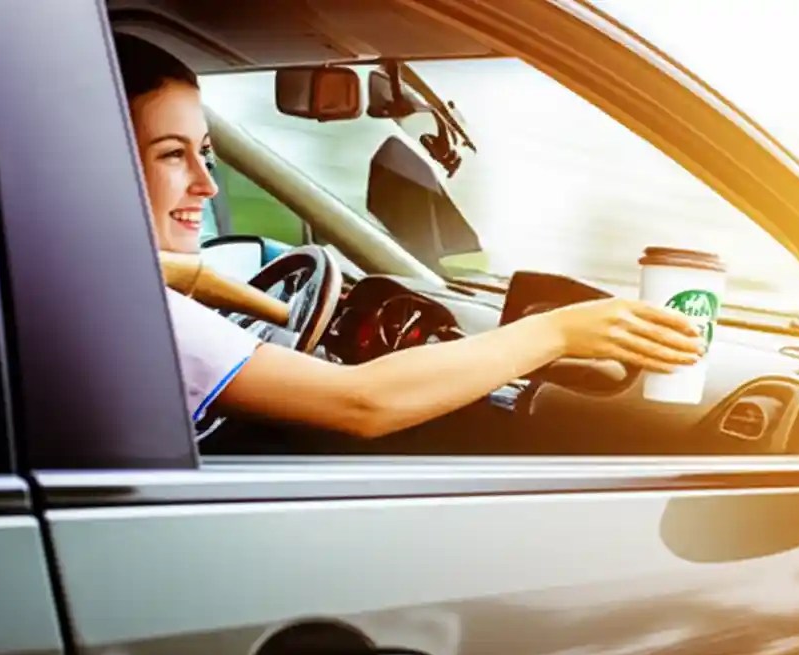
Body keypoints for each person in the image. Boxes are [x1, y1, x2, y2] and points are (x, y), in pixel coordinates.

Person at [115, 34, 703, 439]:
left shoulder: (98, 290)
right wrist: (557, 331)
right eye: (172, 155)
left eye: (208, 155)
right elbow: (362, 402)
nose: (207, 186)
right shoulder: (133, 310)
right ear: (97, 163)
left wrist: (213, 285)